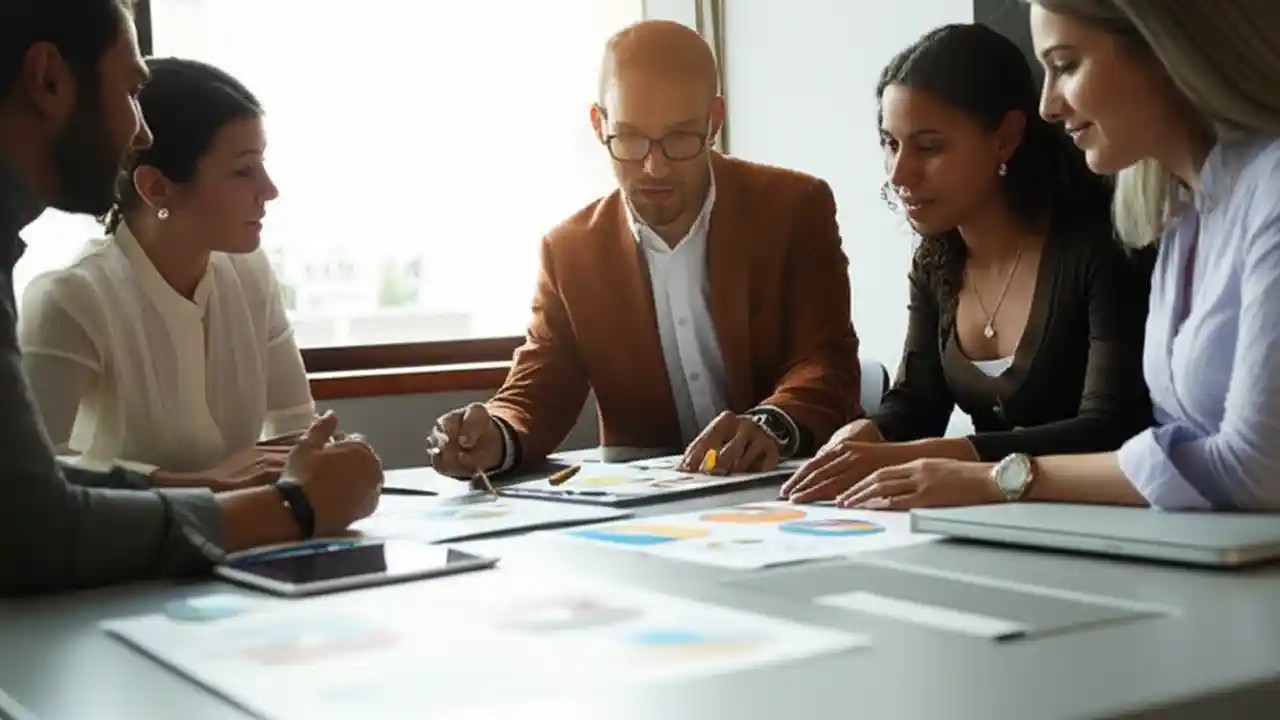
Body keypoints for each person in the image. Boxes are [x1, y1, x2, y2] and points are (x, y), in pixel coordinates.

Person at [833, 0, 1280, 511]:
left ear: (1162, 50)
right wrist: (867, 436)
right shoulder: (1176, 209)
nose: (1048, 104)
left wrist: (994, 475)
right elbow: (1177, 440)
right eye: (890, 143)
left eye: (1066, 65)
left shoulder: (1254, 193)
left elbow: (1243, 464)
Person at [0, 0, 382, 593]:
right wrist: (275, 504)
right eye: (130, 92)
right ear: (48, 79)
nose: (140, 132)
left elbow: (30, 492)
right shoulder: (70, 296)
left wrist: (258, 485)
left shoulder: (249, 274)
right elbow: (34, 516)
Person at [427, 20, 861, 480]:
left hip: (788, 486)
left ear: (714, 120)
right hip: (647, 508)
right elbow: (540, 390)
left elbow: (825, 361)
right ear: (600, 125)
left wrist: (769, 424)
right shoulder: (571, 249)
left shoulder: (793, 207)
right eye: (630, 138)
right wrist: (494, 436)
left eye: (680, 137)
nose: (655, 167)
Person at [782, 23, 1152, 504]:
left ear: (1005, 139)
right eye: (890, 144)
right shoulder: (936, 260)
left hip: (1109, 525)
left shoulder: (1102, 245)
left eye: (929, 147)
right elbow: (917, 403)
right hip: (994, 522)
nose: (899, 174)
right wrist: (866, 434)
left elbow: (1111, 429)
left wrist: (953, 453)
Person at [19, 57, 312, 492]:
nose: (269, 190)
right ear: (156, 187)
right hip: (122, 550)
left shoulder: (251, 273)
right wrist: (192, 484)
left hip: (246, 536)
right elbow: (32, 474)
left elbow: (295, 425)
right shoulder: (70, 298)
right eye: (243, 170)